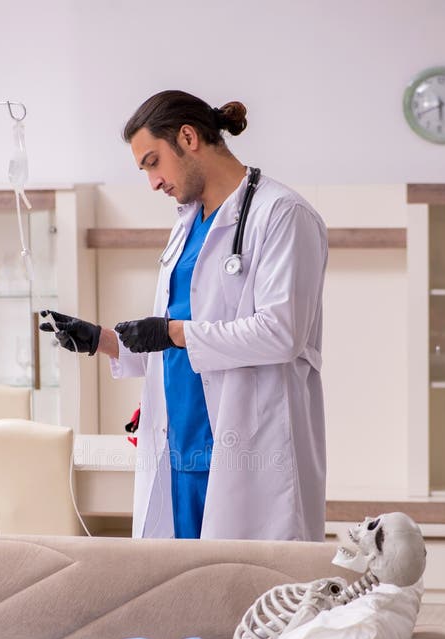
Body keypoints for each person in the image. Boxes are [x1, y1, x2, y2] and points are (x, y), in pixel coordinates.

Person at [41, 90, 328, 541]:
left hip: (244, 448)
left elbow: (282, 333)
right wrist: (102, 340)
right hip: (179, 446)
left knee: (250, 596)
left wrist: (172, 332)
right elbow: (174, 331)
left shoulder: (282, 214)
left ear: (188, 138)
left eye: (153, 162)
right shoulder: (187, 221)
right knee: (181, 597)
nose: (153, 182)